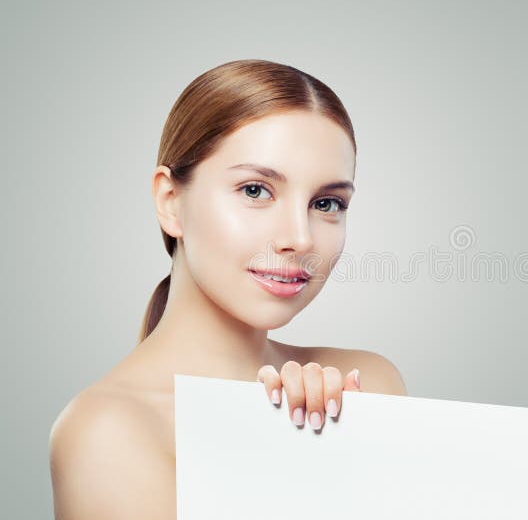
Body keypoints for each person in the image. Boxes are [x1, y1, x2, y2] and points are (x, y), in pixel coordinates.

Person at [48, 59, 407, 519]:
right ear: (170, 201)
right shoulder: (108, 431)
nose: (299, 236)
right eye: (255, 191)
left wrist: (334, 451)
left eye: (326, 203)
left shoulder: (368, 385)